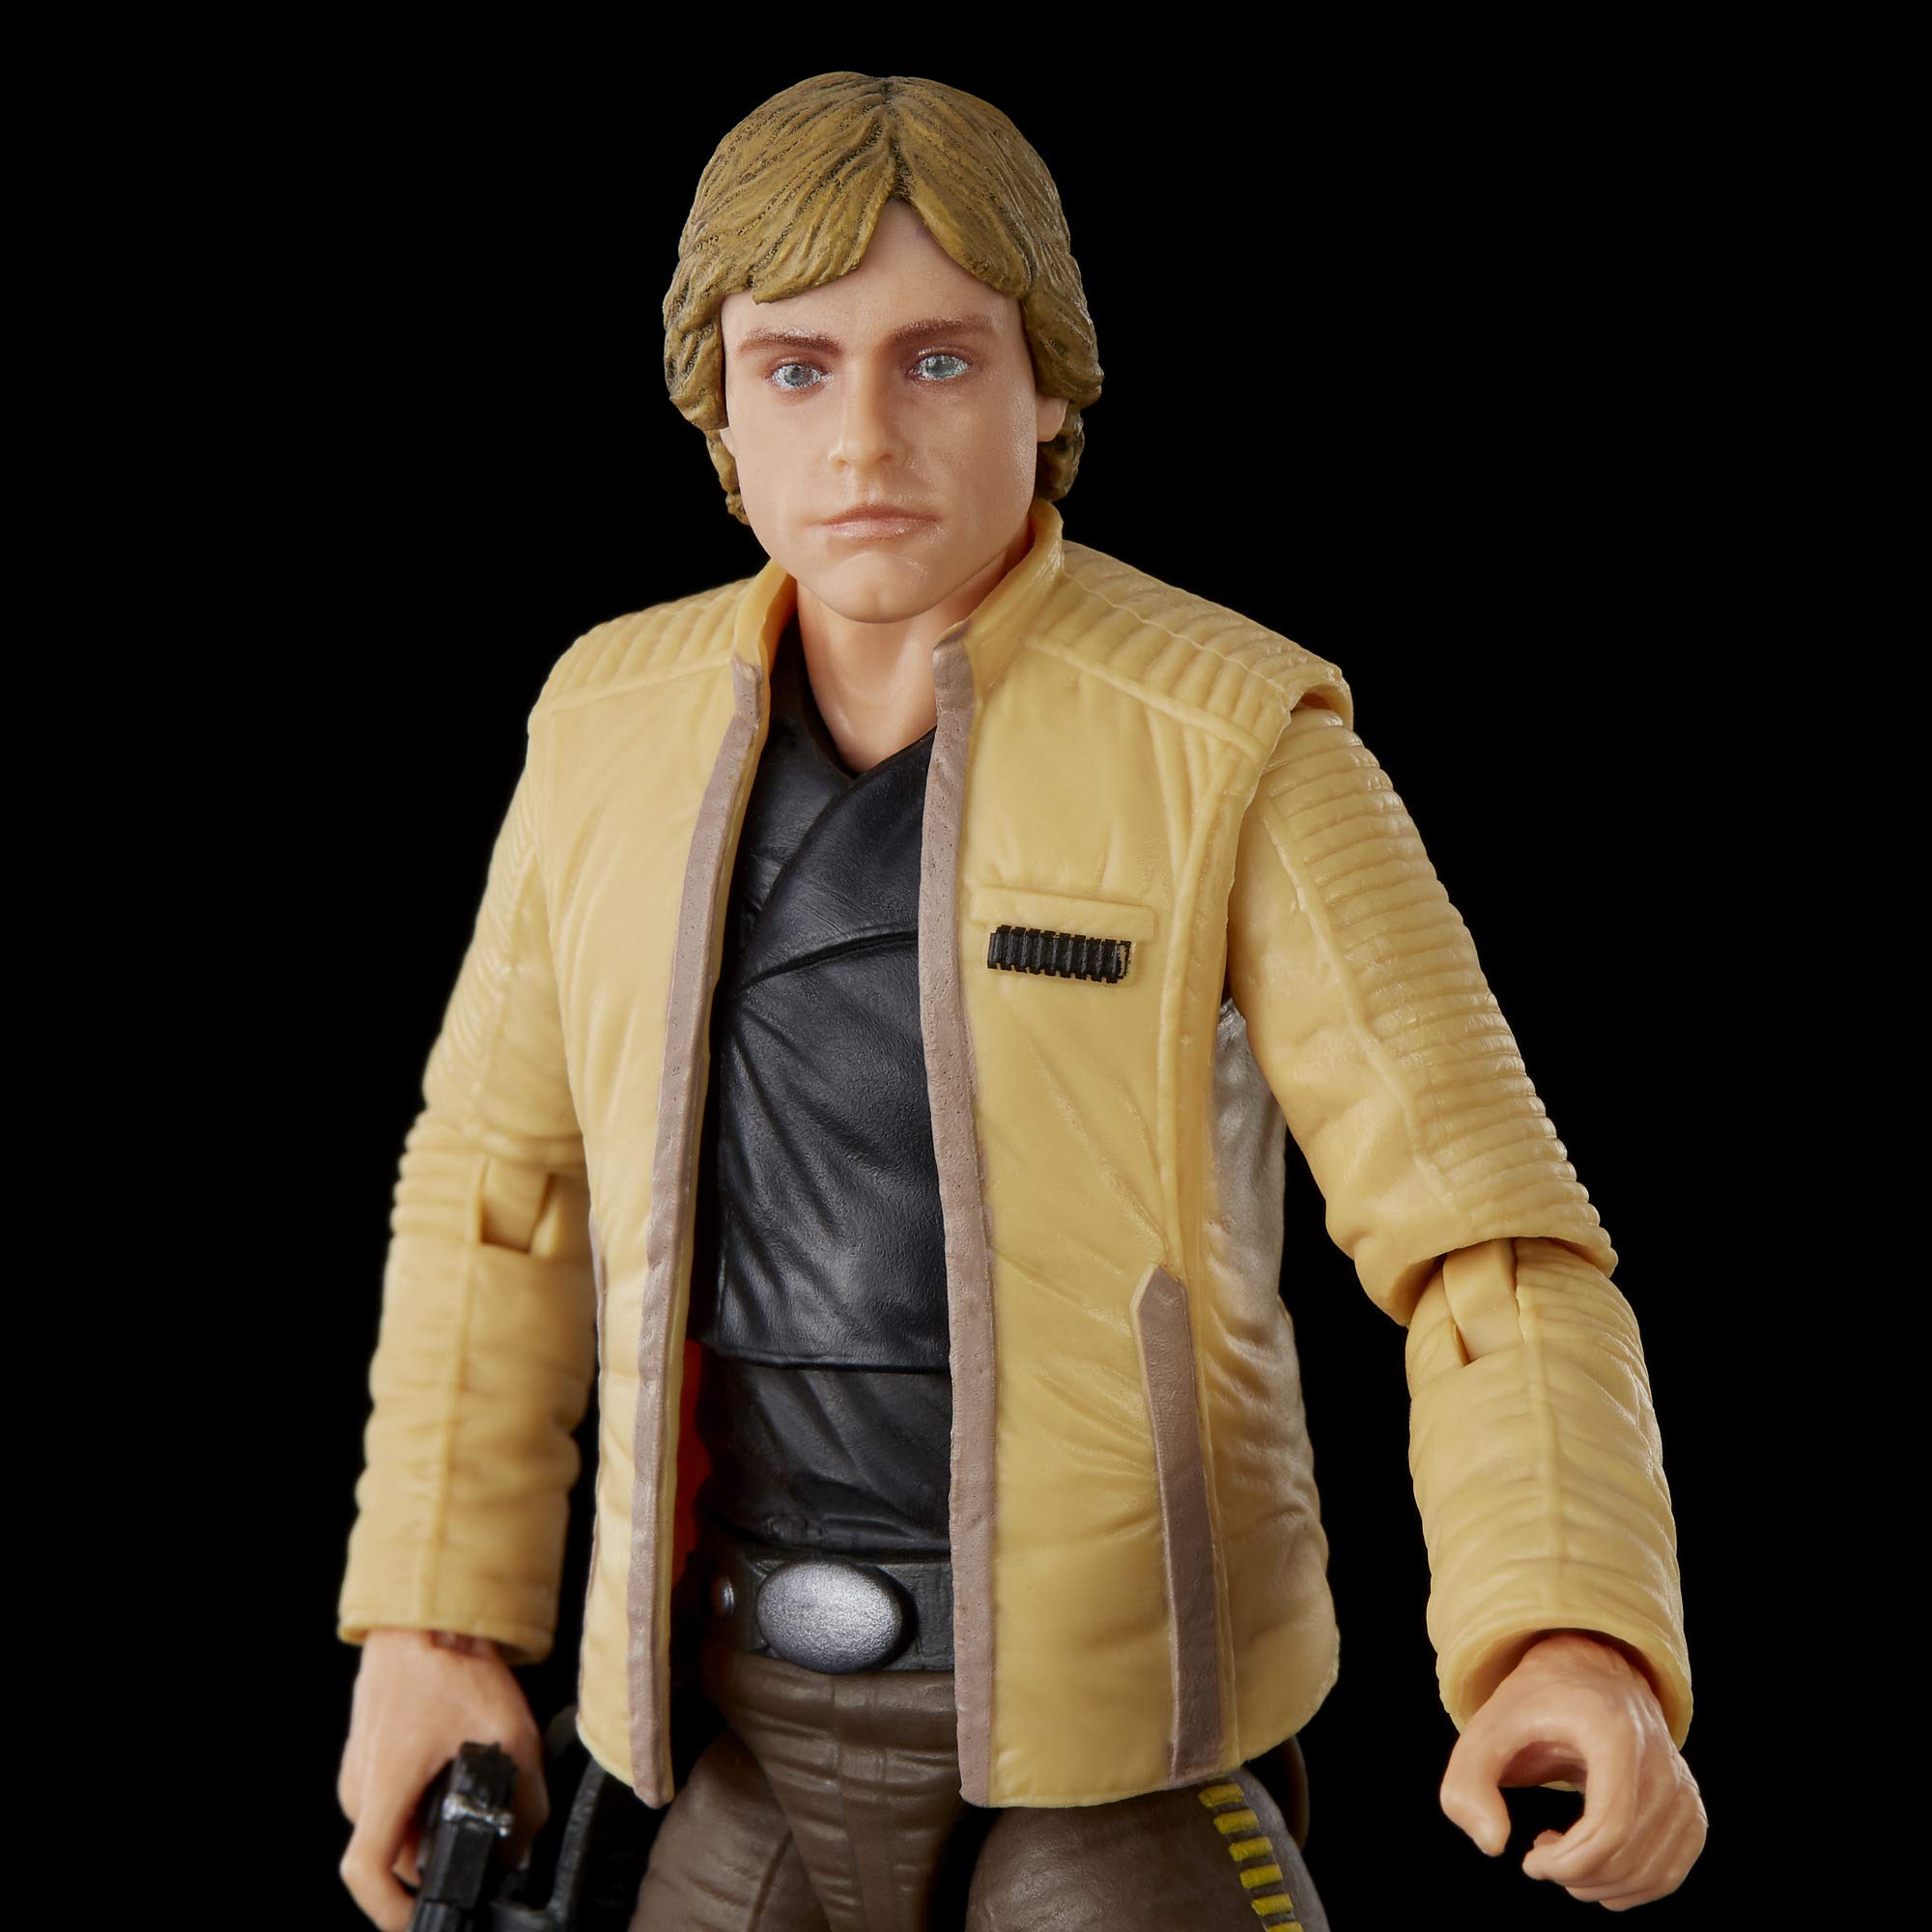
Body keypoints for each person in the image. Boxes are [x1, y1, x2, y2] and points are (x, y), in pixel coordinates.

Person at [337, 71, 1706, 1930]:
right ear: (720, 401)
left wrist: (1566, 1631)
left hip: (1110, 1732)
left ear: (1046, 384)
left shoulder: (1228, 743)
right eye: (796, 368)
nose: (862, 441)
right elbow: (497, 1199)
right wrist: (433, 1629)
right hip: (738, 1711)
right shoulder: (606, 733)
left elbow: (1486, 1246)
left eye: (938, 361)